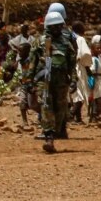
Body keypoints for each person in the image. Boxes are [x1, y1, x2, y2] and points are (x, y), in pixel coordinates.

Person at [29, 10, 76, 153]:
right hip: (45, 79)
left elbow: (71, 63)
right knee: (46, 105)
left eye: (58, 26)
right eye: (53, 26)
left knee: (60, 107)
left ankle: (57, 130)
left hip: (61, 80)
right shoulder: (40, 41)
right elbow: (32, 62)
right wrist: (29, 80)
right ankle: (49, 137)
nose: (56, 29)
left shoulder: (66, 43)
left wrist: (73, 80)